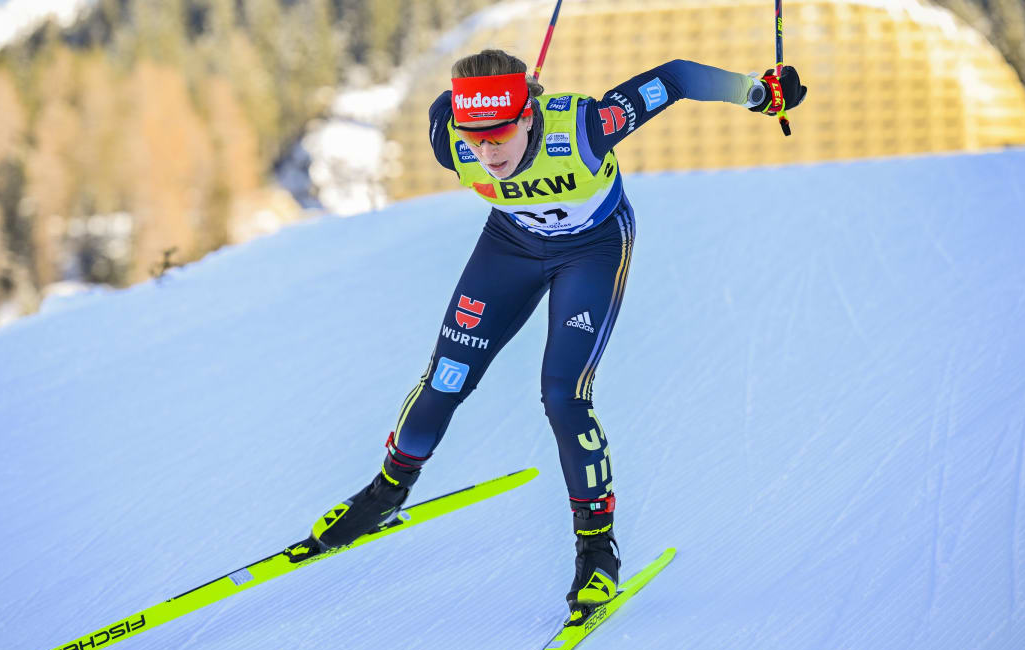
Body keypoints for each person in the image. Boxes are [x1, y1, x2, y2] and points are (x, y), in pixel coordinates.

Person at [287, 50, 806, 620]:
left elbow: (676, 78)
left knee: (563, 395)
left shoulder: (584, 128)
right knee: (446, 375)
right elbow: (445, 105)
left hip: (592, 249)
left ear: (529, 115)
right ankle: (387, 491)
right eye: (475, 139)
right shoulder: (450, 138)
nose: (487, 154)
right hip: (510, 247)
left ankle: (595, 548)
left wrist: (758, 93)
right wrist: (492, 98)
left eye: (498, 136)